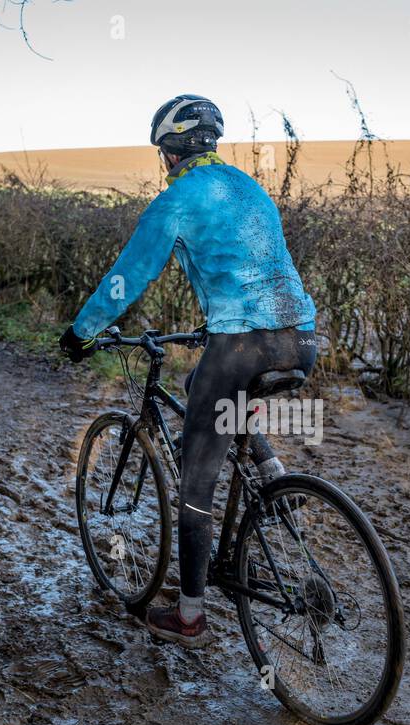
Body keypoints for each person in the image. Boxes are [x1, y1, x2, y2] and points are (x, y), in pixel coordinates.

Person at [59, 94, 318, 648]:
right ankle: (273, 480)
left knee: (195, 486)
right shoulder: (248, 187)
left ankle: (191, 617)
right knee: (203, 385)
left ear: (168, 150)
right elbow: (254, 268)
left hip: (242, 344)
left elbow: (128, 278)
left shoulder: (176, 199)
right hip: (300, 339)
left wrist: (81, 332)